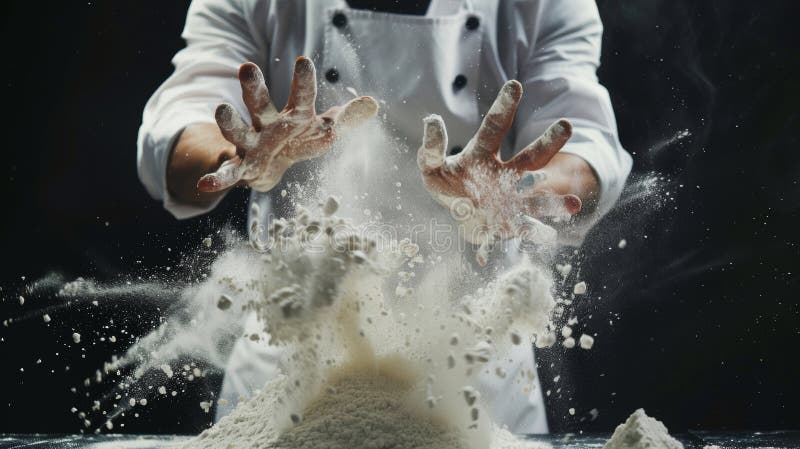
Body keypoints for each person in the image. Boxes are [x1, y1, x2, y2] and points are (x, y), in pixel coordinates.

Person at [137, 0, 632, 433]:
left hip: (476, 372)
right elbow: (184, 117)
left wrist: (520, 190)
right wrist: (238, 153)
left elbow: (581, 138)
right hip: (288, 366)